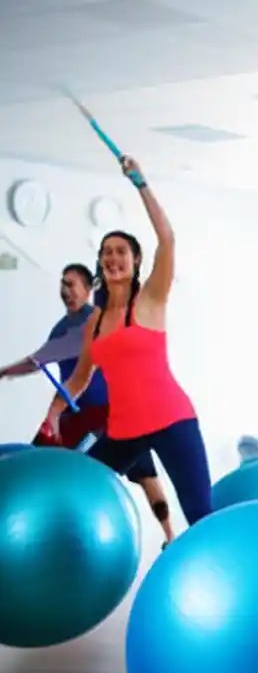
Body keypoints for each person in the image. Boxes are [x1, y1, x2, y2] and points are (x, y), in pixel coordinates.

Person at [43, 156, 212, 537]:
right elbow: (79, 379)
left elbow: (167, 239)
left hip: (172, 420)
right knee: (83, 486)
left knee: (200, 514)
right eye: (107, 251)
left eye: (121, 251)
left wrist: (141, 184)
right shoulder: (95, 321)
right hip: (124, 431)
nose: (113, 257)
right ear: (100, 263)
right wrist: (53, 413)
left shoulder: (150, 299)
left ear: (136, 261)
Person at [1, 263, 175, 543]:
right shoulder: (62, 328)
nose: (65, 290)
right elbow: (42, 358)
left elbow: (48, 355)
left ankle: (170, 535)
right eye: (63, 284)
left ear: (87, 289)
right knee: (37, 462)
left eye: (71, 285)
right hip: (76, 414)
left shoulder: (95, 322)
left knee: (145, 475)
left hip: (108, 414)